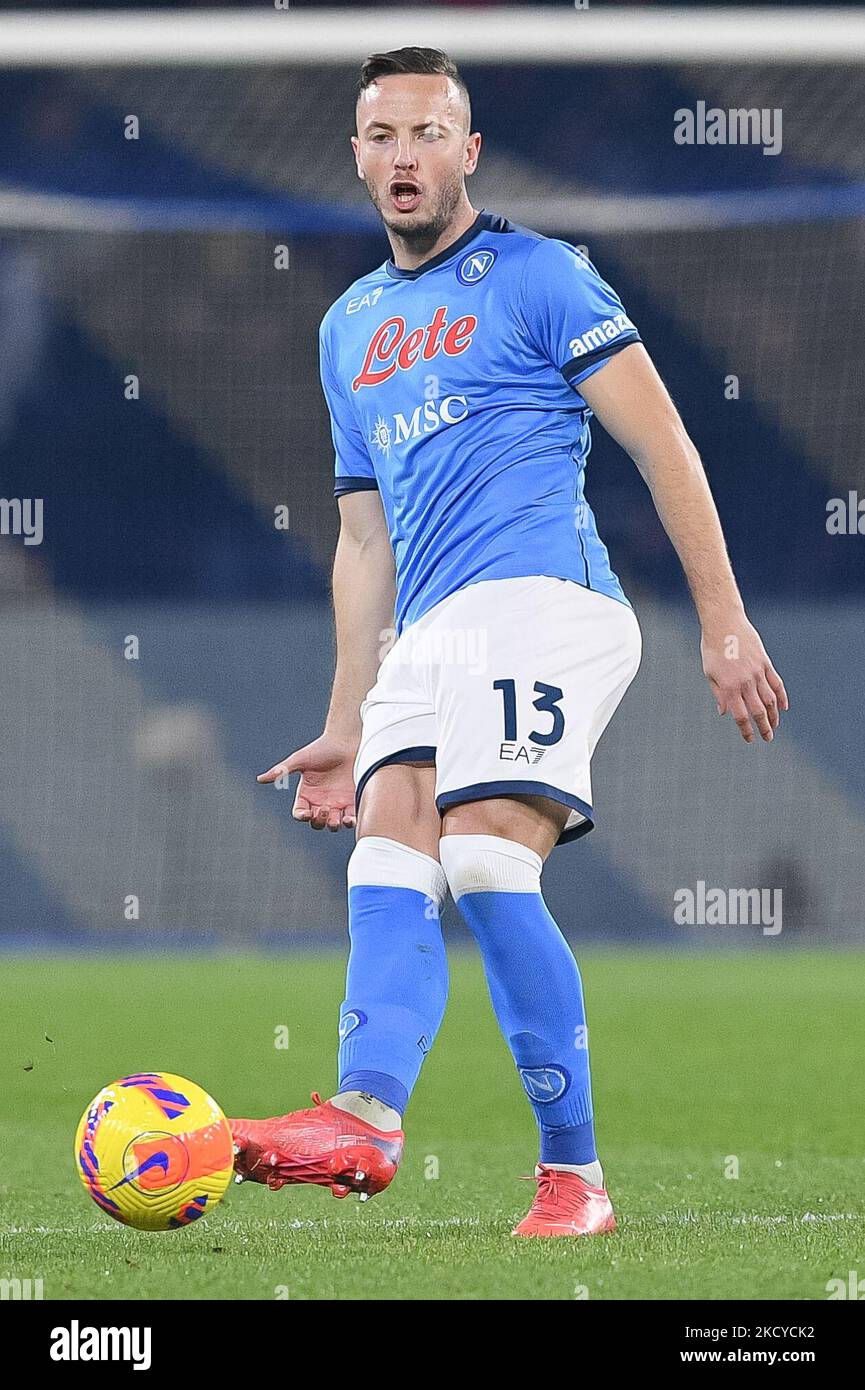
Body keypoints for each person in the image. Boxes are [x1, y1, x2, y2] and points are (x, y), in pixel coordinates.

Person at [231, 47, 787, 1237]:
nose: (405, 156)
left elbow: (664, 444)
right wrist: (344, 720)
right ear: (356, 156)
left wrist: (724, 619)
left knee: (483, 858)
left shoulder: (543, 275)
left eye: (428, 133)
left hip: (546, 599)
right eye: (383, 135)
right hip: (431, 628)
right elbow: (362, 540)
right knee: (388, 848)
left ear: (469, 151)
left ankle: (575, 1180)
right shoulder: (348, 327)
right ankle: (365, 1117)